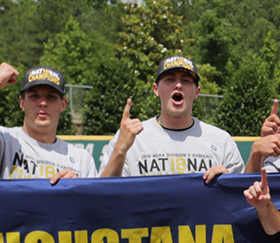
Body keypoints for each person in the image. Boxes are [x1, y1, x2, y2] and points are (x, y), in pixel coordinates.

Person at [101, 55, 243, 178]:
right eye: (170, 79)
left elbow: (241, 199)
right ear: (156, 89)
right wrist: (120, 150)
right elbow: (101, 195)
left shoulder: (221, 141)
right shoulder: (130, 138)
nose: (178, 85)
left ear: (196, 92)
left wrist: (224, 183)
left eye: (186, 80)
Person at [0, 64, 97, 181]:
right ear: (22, 103)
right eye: (34, 96)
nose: (43, 103)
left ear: (63, 104)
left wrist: (77, 189)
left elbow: (93, 207)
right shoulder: (4, 140)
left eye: (51, 97)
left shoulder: (81, 159)